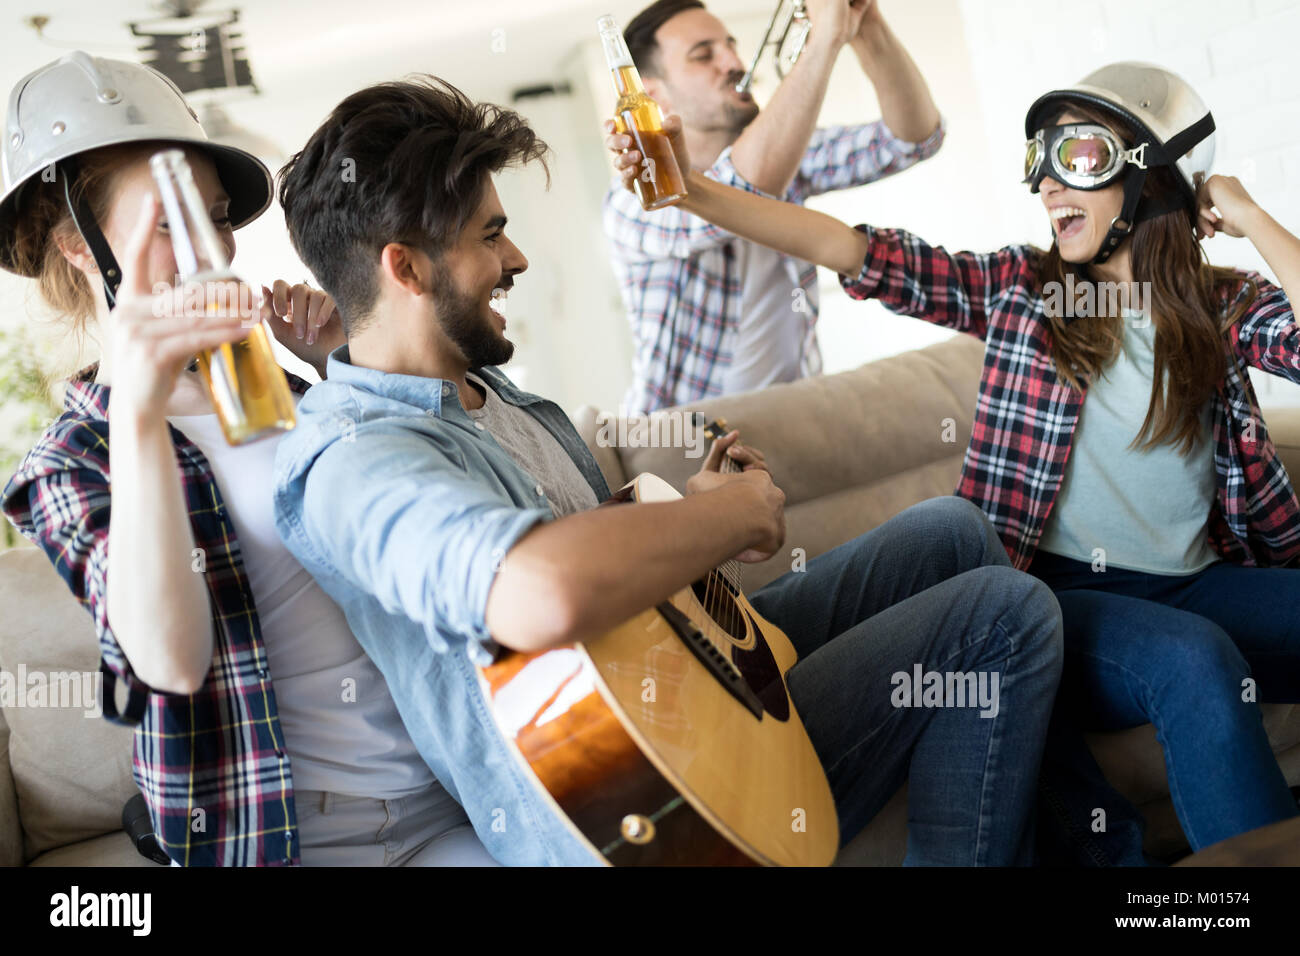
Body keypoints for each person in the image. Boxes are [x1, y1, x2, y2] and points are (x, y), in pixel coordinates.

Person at [272, 75, 1063, 867]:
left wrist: (693, 515)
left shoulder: (497, 397)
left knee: (952, 531)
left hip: (679, 681)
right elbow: (536, 592)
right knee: (1003, 614)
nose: (515, 258)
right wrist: (735, 516)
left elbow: (611, 600)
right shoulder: (352, 456)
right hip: (640, 801)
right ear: (405, 270)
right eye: (490, 236)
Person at [605, 61, 1300, 861]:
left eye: (1073, 159)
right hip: (1061, 593)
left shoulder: (1222, 306)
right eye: (1038, 161)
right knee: (1194, 662)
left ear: (1157, 177)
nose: (1043, 185)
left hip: (1199, 578)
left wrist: (1248, 210)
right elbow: (851, 249)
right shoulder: (1020, 291)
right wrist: (690, 191)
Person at [0, 52, 493, 866]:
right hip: (289, 842)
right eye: (171, 223)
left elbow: (446, 511)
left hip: (451, 792)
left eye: (219, 217)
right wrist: (140, 410)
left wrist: (348, 366)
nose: (212, 249)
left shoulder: (279, 384)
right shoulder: (70, 463)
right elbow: (169, 660)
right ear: (79, 246)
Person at [604, 0, 943, 413]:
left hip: (795, 416)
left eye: (729, 45)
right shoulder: (635, 195)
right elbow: (738, 193)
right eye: (704, 55)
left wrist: (866, 24)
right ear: (651, 93)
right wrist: (823, 42)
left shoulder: (788, 156)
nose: (733, 61)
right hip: (681, 441)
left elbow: (913, 139)